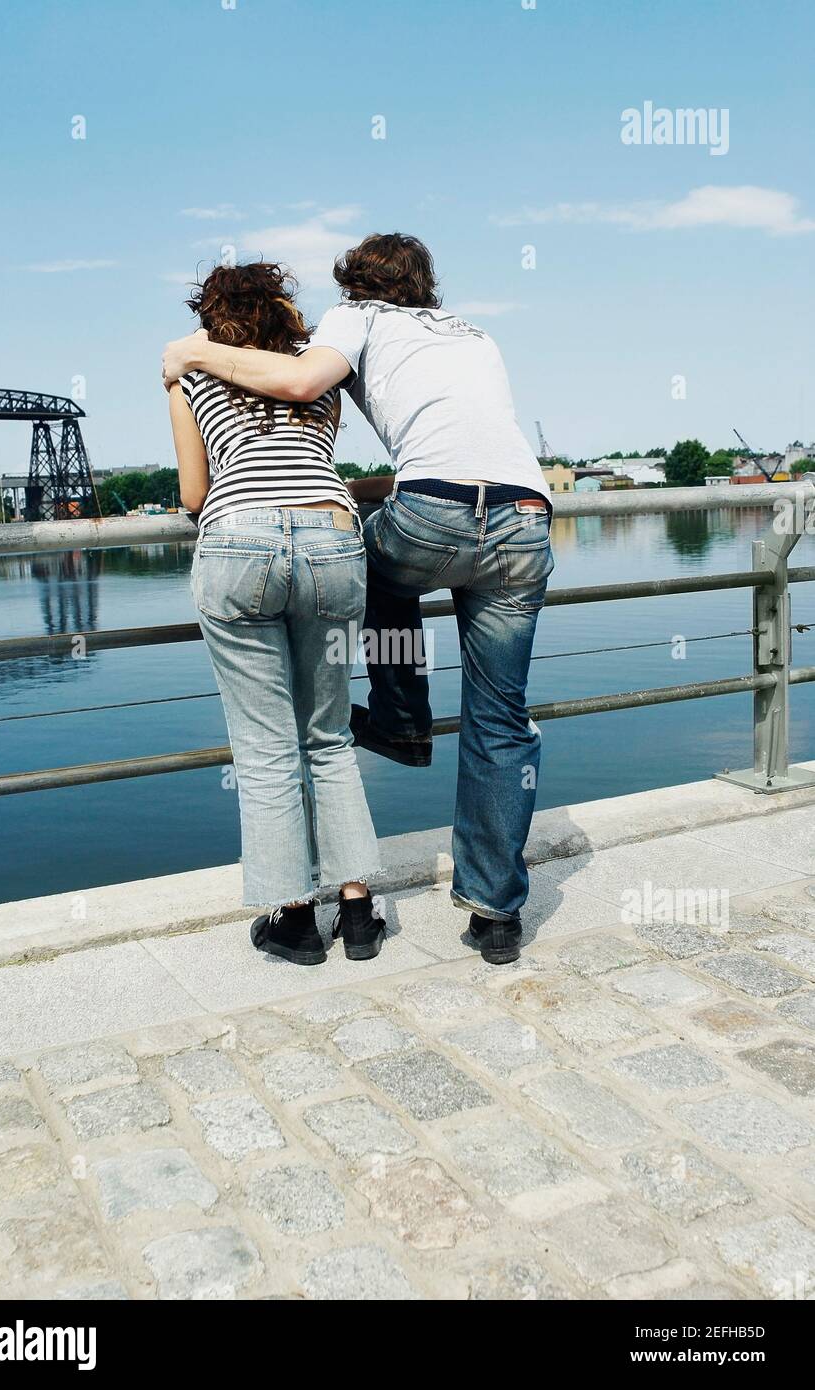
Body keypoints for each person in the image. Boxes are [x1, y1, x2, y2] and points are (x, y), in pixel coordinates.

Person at [163, 234, 554, 965]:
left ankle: (300, 907)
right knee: (471, 723)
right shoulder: (474, 334)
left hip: (270, 541)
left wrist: (185, 357)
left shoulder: (347, 322)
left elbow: (211, 477)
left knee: (274, 739)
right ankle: (462, 914)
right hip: (515, 517)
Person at [168, 261, 384, 966]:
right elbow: (310, 461)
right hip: (330, 540)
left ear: (212, 317)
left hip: (237, 543)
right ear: (283, 314)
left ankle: (293, 920)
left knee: (265, 752)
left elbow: (196, 495)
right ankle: (356, 915)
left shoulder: (190, 375)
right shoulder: (319, 380)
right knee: (329, 736)